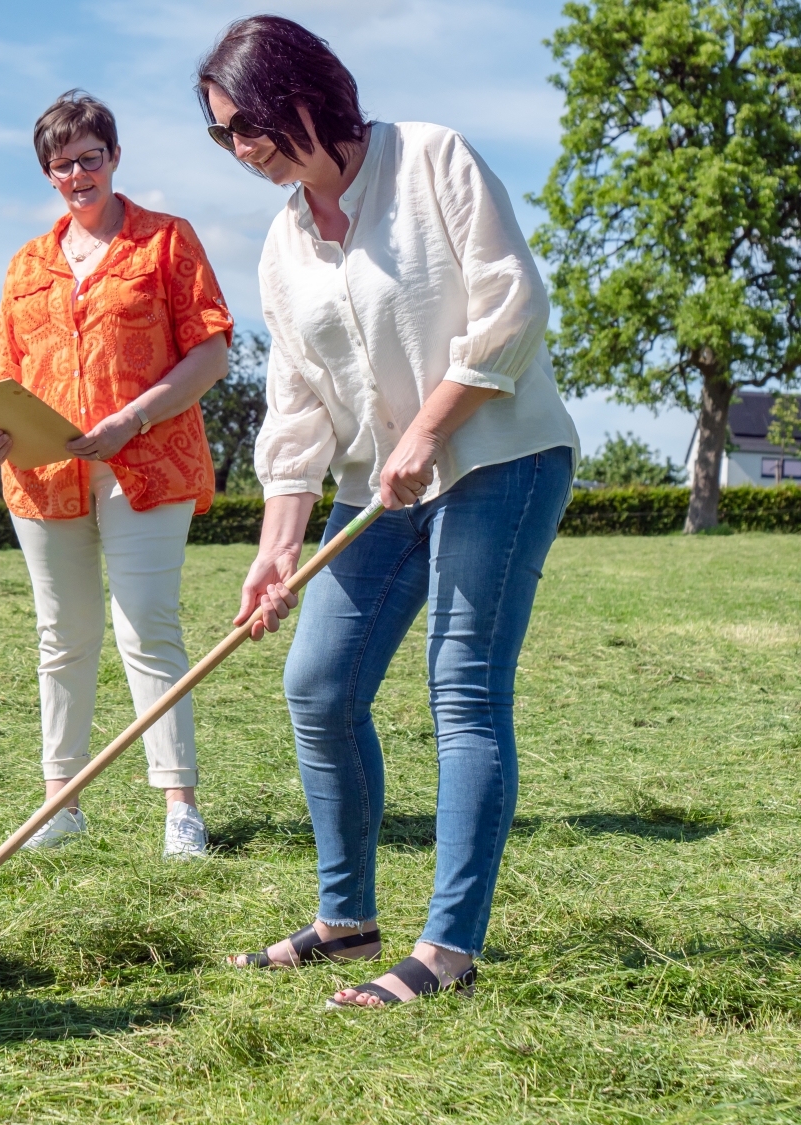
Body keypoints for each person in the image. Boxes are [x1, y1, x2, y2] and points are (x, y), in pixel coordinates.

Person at [198, 17, 579, 1005]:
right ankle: (347, 923)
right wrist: (275, 551)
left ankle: (448, 952)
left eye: (251, 125)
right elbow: (297, 412)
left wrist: (429, 429)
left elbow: (513, 306)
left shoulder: (432, 159)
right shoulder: (283, 247)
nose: (242, 149)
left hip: (500, 456)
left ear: (308, 94)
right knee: (317, 690)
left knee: (462, 691)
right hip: (379, 494)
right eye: (223, 136)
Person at [0, 90, 234, 858]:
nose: (79, 173)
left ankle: (179, 807)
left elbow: (212, 352)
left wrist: (133, 418)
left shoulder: (167, 241)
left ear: (115, 158)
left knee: (147, 626)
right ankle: (62, 804)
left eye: (92, 157)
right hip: (42, 479)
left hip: (149, 465)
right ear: (48, 175)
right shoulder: (27, 263)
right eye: (63, 164)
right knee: (62, 636)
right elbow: (3, 373)